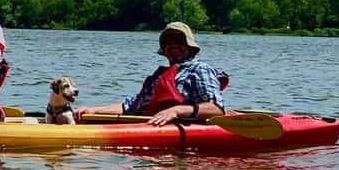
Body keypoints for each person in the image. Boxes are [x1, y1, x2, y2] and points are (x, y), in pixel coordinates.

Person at [75, 22, 226, 126]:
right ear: (164, 49)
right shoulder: (162, 75)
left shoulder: (200, 69)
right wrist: (94, 110)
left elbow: (217, 110)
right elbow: (131, 106)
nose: (173, 46)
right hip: (151, 123)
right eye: (168, 42)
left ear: (189, 47)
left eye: (179, 41)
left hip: (181, 126)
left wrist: (177, 110)